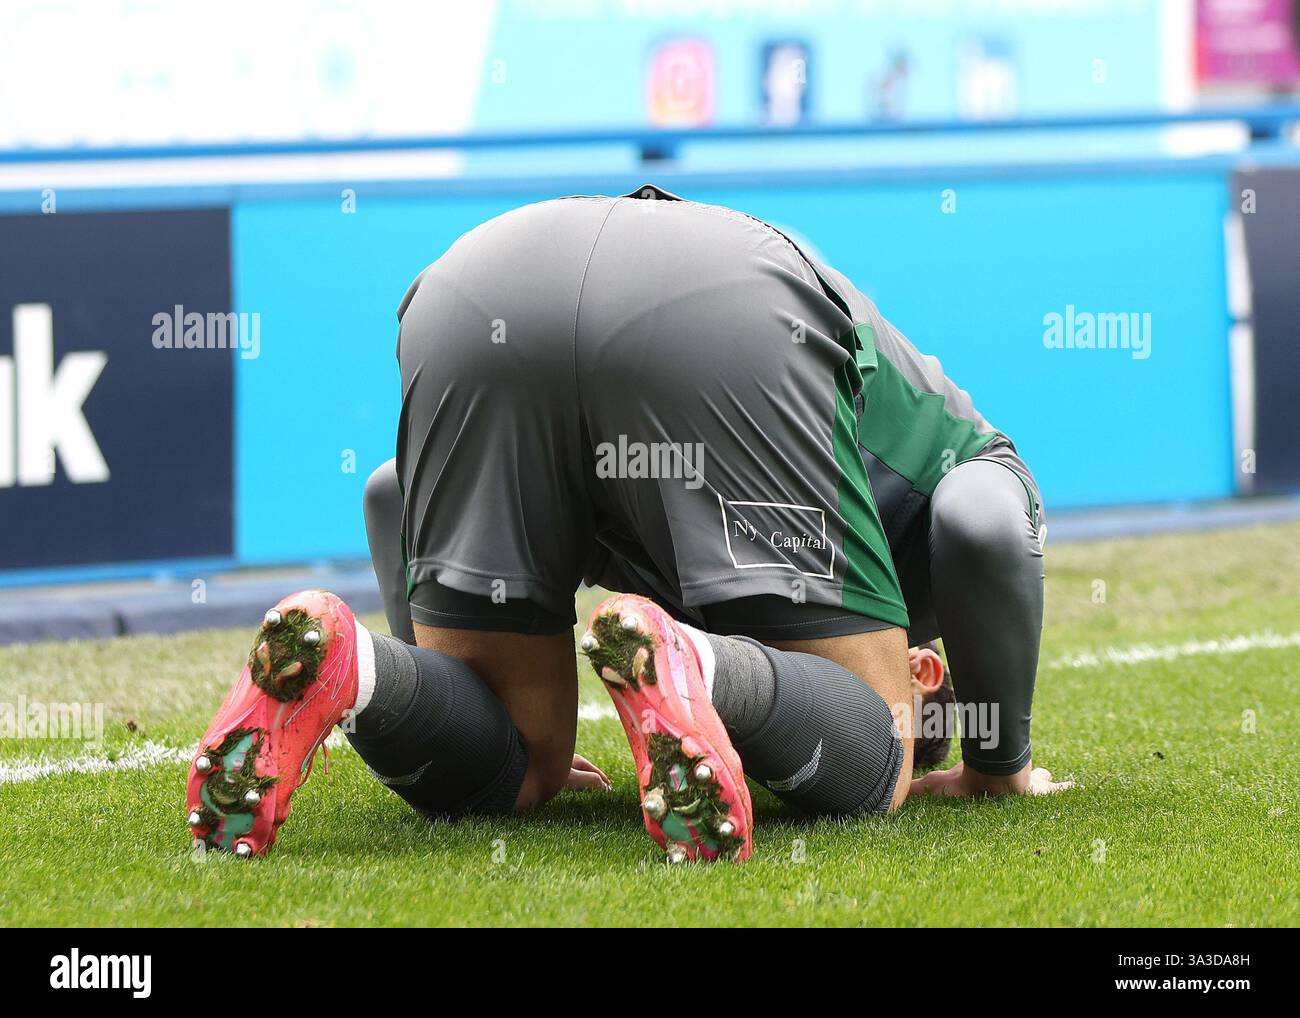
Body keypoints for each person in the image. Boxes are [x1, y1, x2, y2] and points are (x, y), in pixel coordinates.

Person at [185, 185, 1070, 862]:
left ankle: (355, 666)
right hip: (729, 318)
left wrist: (493, 709)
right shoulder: (955, 455)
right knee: (875, 764)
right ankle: (698, 662)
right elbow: (991, 525)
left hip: (472, 283)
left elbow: (390, 495)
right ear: (928, 669)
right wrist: (1000, 765)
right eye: (932, 708)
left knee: (519, 771)